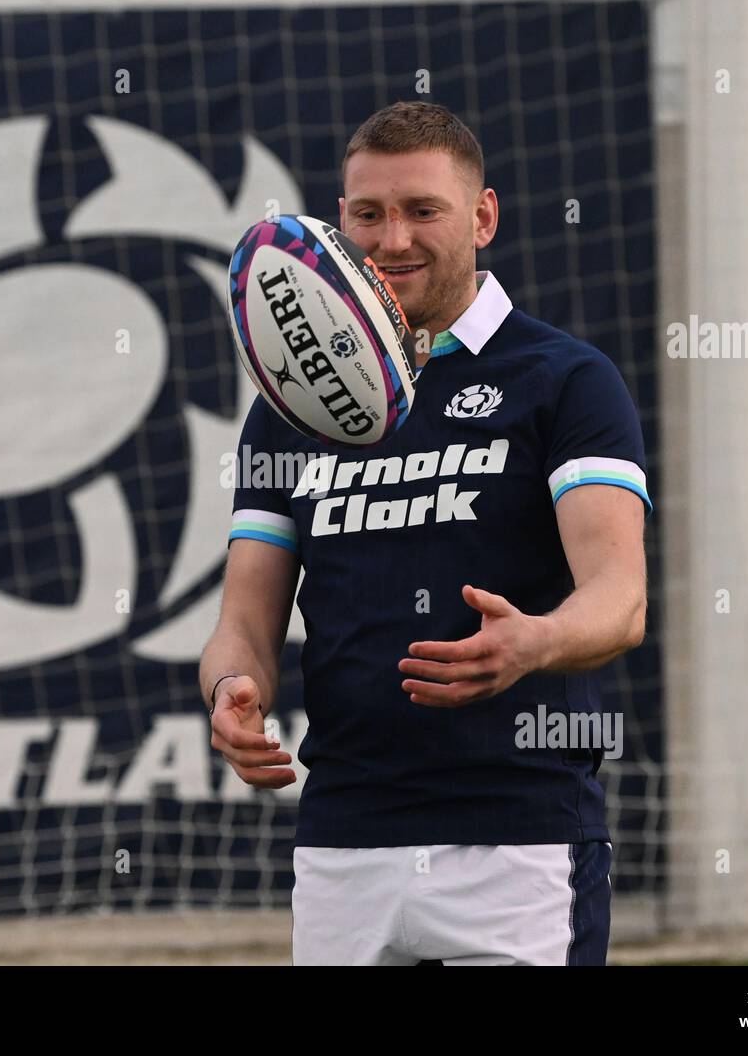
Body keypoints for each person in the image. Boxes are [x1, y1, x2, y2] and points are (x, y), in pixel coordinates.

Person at [200, 101, 651, 965]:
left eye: (421, 211)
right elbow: (244, 621)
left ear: (482, 217)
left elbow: (621, 600)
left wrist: (538, 641)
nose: (390, 239)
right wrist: (230, 688)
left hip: (517, 841)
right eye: (366, 213)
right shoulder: (288, 407)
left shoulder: (564, 380)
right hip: (342, 841)